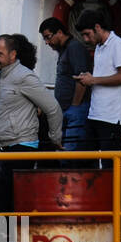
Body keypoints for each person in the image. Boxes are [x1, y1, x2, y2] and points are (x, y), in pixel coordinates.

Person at [0, 34, 63, 221]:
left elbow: (53, 108)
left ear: (13, 55)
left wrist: (55, 138)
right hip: (2, 147)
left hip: (22, 146)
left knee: (12, 199)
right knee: (2, 197)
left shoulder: (25, 77)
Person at [75, 11, 121, 166]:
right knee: (83, 160)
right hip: (96, 113)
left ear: (98, 27)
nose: (86, 39)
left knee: (110, 165)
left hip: (112, 116)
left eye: (87, 34)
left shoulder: (118, 44)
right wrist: (90, 77)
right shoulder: (99, 46)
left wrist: (92, 80)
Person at [39, 17, 92, 151]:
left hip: (75, 110)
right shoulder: (64, 50)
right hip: (66, 110)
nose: (46, 42)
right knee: (64, 150)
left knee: (71, 152)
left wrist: (75, 106)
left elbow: (82, 78)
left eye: (48, 37)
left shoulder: (74, 47)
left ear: (60, 32)